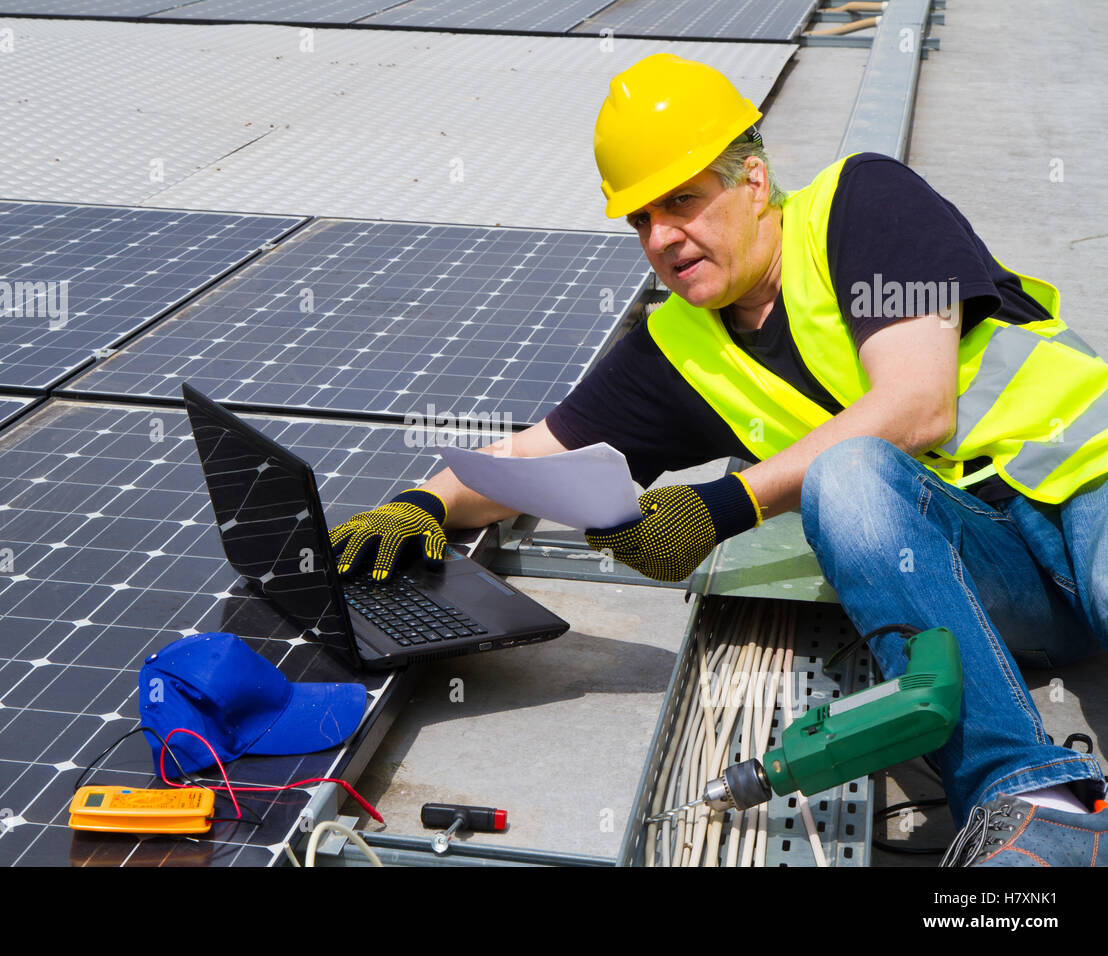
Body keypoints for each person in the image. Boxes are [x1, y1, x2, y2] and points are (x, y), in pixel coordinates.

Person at [329, 53, 1108, 866]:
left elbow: (917, 404)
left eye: (683, 201)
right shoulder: (679, 349)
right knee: (846, 479)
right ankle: (1035, 800)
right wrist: (422, 503)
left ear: (756, 183)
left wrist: (721, 506)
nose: (663, 237)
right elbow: (531, 455)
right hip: (985, 576)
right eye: (641, 221)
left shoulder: (863, 203)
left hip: (1089, 480)